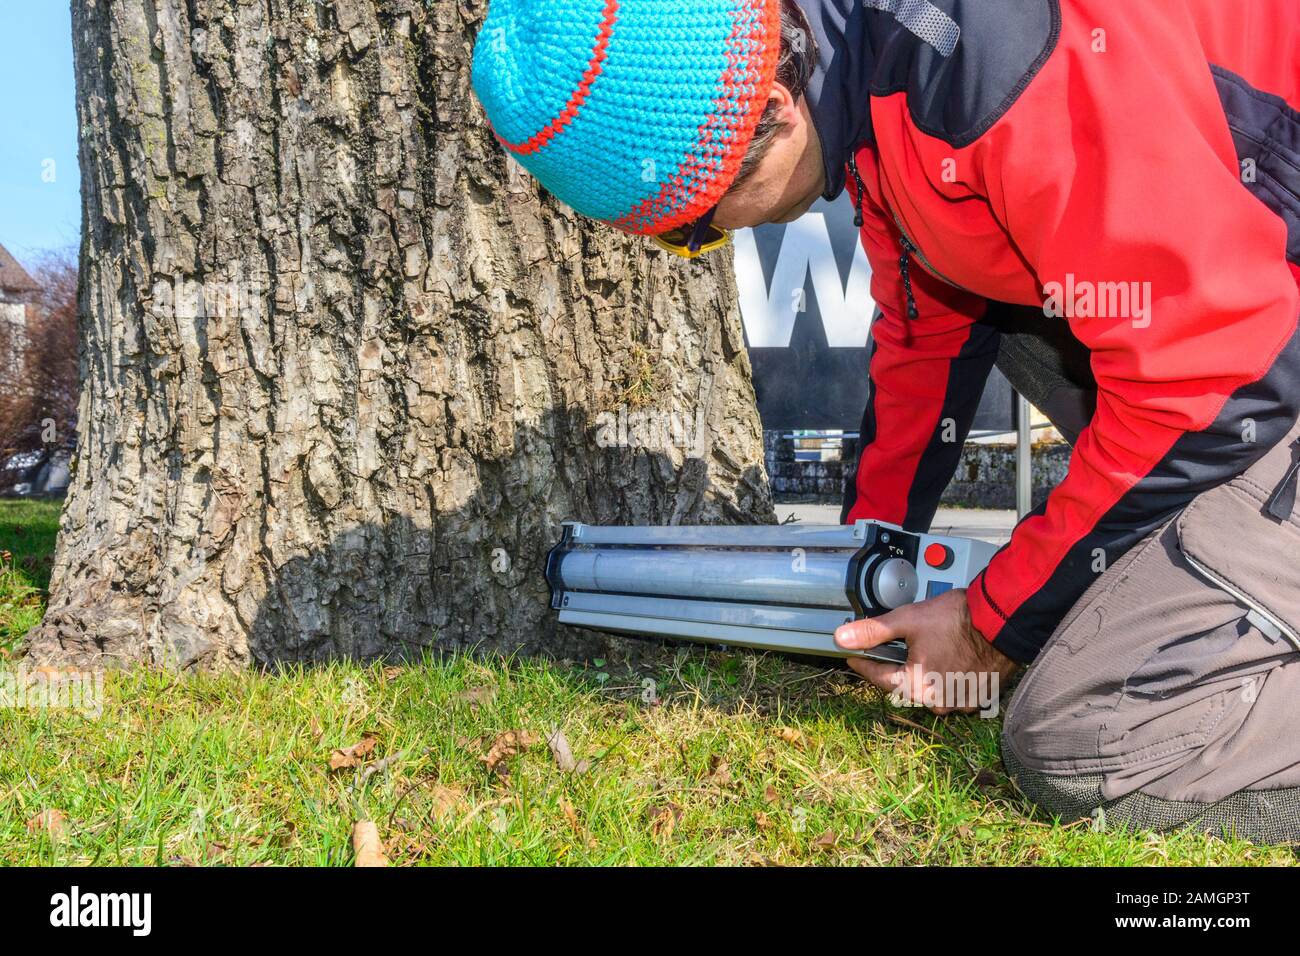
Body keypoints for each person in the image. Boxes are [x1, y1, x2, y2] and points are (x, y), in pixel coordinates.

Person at [472, 0, 1300, 842]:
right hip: (1248, 330)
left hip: (1256, 362)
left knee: (1076, 740)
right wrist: (861, 555)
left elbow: (1219, 369)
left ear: (773, 112)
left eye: (694, 231)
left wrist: (988, 632)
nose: (714, 241)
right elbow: (930, 333)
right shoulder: (873, 59)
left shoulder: (1002, 71)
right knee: (1018, 311)